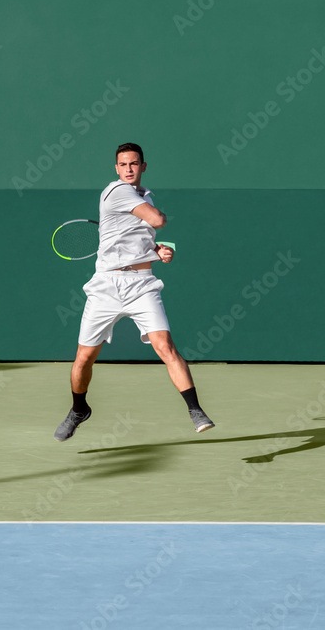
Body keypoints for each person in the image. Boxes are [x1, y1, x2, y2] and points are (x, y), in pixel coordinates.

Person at [54, 142, 215, 441]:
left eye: (134, 163)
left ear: (143, 166)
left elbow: (142, 237)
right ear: (116, 168)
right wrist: (158, 227)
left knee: (165, 346)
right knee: (84, 358)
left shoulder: (145, 196)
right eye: (123, 164)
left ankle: (195, 410)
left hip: (142, 284)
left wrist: (160, 249)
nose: (128, 169)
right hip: (106, 286)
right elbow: (158, 220)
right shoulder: (116, 191)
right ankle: (78, 409)